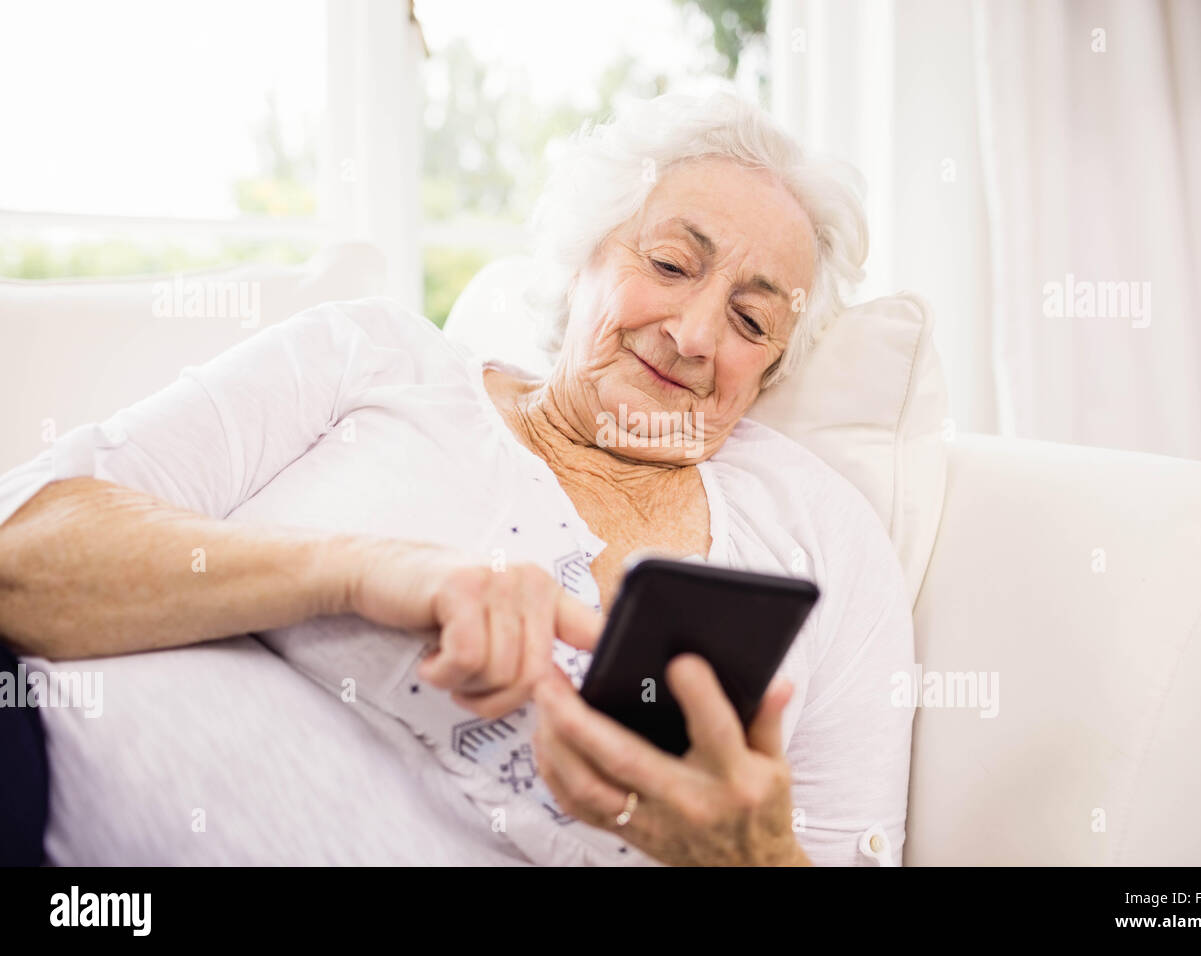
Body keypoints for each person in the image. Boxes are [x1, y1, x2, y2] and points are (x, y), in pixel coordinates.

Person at [0, 90, 914, 866]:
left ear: (772, 372)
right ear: (584, 256)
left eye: (753, 324)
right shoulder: (371, 357)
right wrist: (359, 573)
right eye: (671, 264)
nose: (695, 334)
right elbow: (22, 555)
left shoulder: (824, 539)